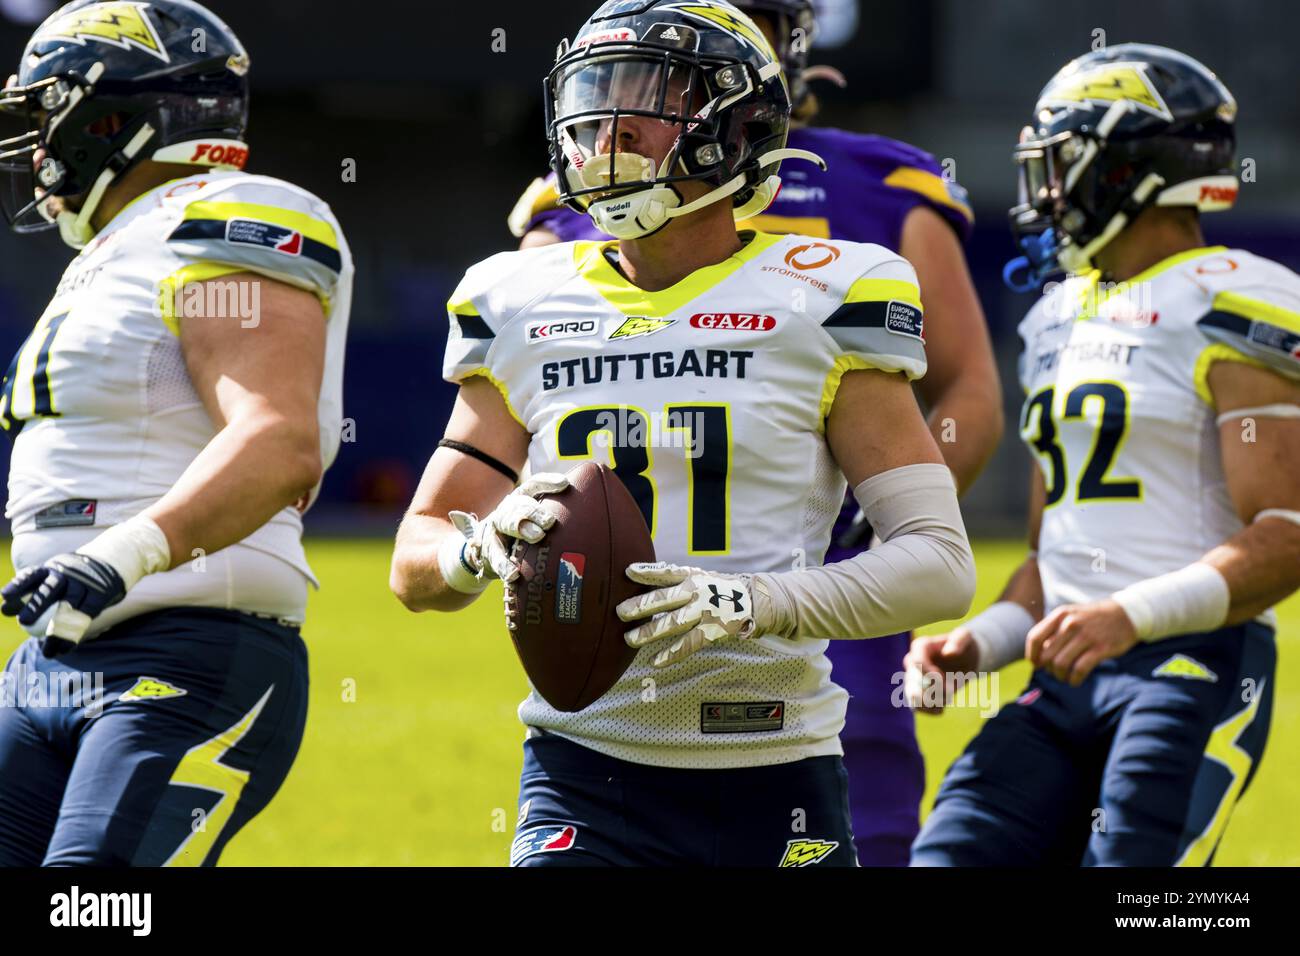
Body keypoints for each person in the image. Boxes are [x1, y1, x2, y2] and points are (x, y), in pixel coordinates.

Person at [391, 0, 975, 868]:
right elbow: (415, 562)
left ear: (736, 128)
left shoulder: (829, 291)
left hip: (775, 770)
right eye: (595, 97)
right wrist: (477, 552)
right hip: (582, 770)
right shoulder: (515, 298)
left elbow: (939, 562)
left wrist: (751, 603)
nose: (606, 126)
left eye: (647, 98)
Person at [908, 44, 1300, 866]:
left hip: (1192, 664)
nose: (1045, 191)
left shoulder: (1236, 298)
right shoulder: (1055, 317)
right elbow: (1055, 560)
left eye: (1061, 165)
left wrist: (1131, 615)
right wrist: (976, 646)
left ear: (1127, 169)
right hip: (1066, 676)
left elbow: (1288, 532)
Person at [0, 0, 352, 866]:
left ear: (113, 117)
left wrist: (117, 556)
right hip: (51, 654)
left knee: (97, 910)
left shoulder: (223, 220)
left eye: (52, 113)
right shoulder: (116, 251)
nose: (39, 148)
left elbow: (277, 439)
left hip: (189, 648)